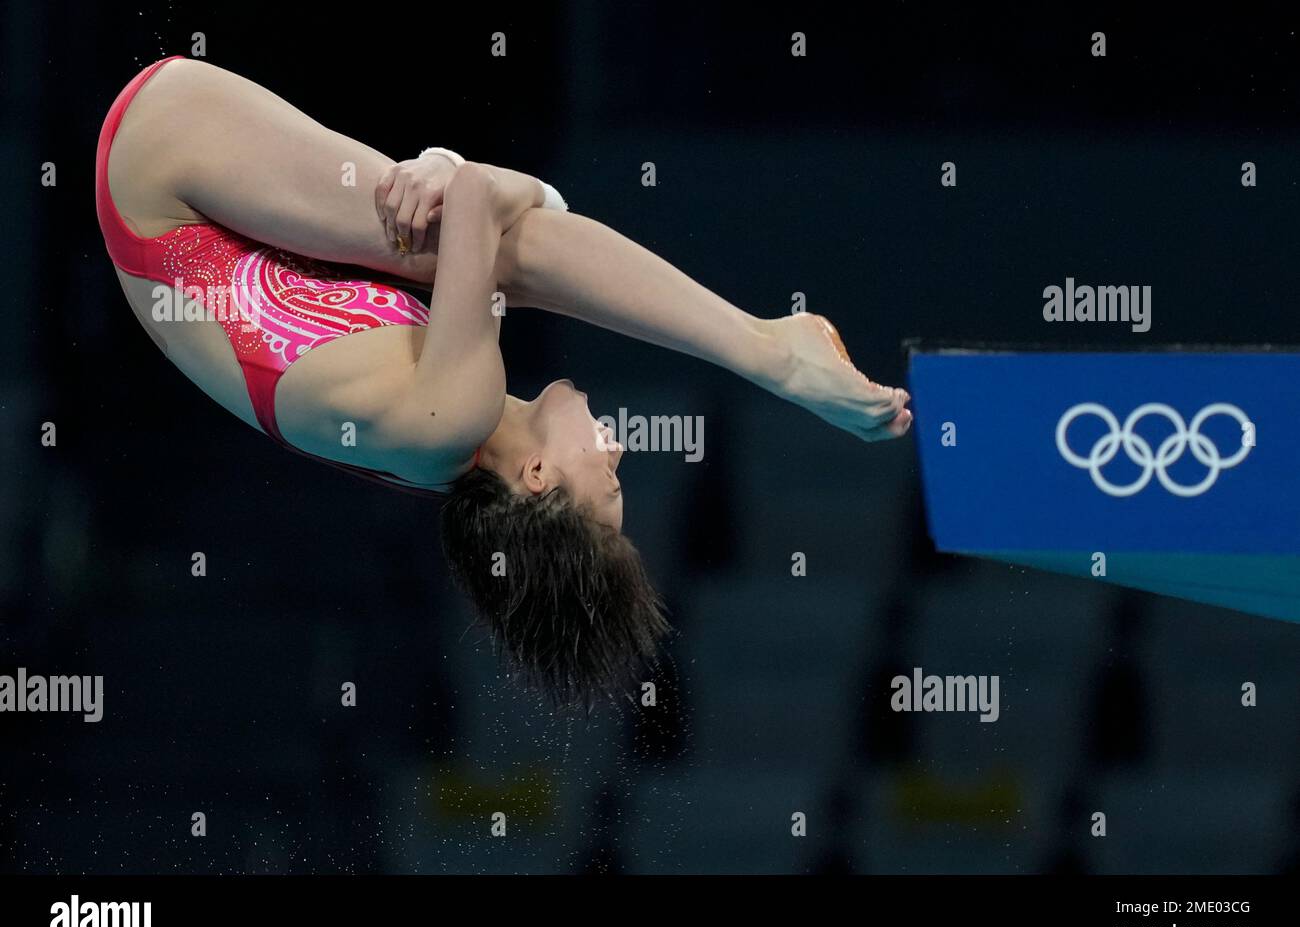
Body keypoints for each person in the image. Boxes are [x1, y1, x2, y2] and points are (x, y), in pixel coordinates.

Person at [96, 55, 912, 706]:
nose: (619, 446)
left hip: (163, 173)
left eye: (610, 483)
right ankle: (769, 350)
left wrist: (456, 173)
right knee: (470, 241)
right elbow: (485, 216)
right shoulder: (442, 451)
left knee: (445, 229)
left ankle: (771, 353)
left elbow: (479, 197)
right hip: (176, 193)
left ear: (536, 478)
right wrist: (461, 181)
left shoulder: (451, 421)